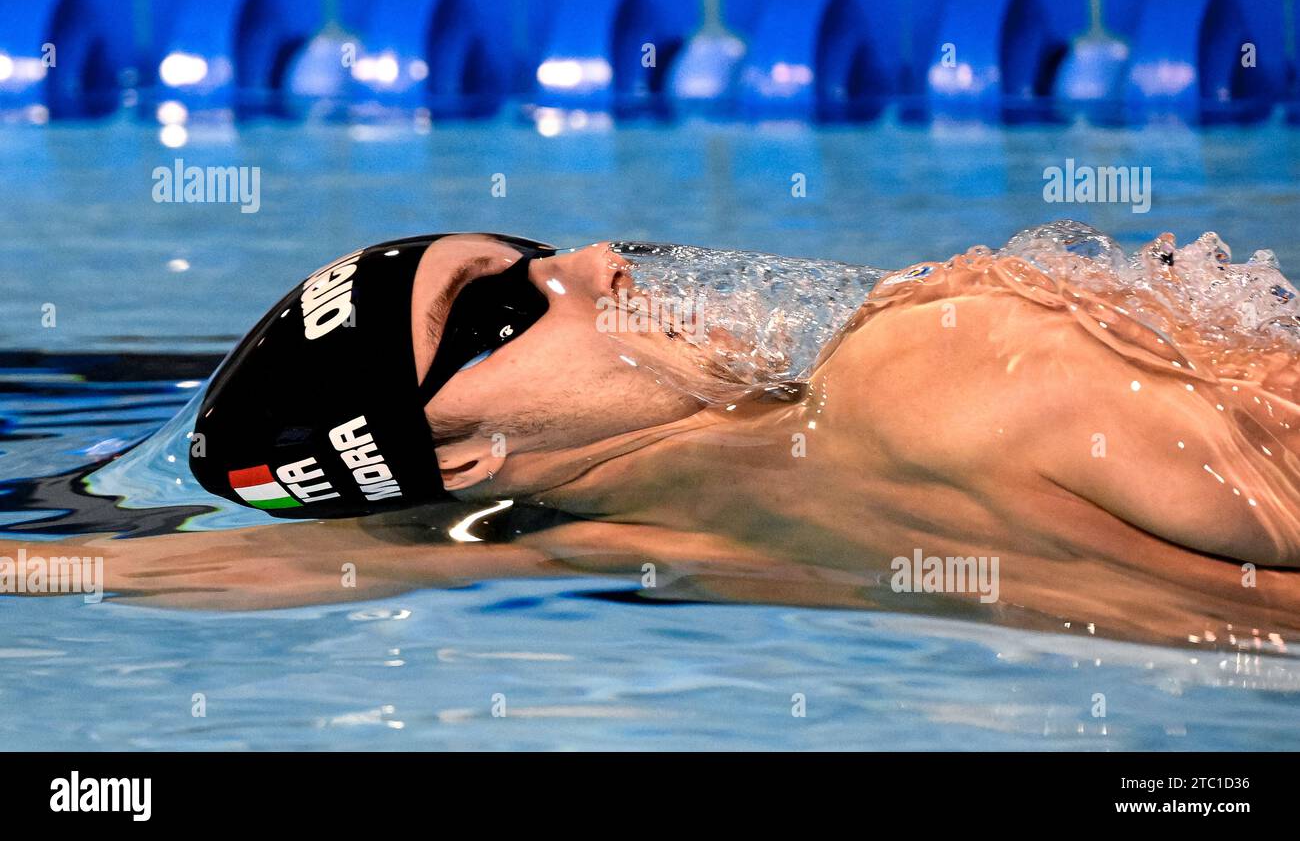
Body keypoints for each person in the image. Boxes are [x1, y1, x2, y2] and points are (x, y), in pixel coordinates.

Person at [14, 226, 1300, 649]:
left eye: (530, 251)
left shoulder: (656, 543)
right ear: (458, 463)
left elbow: (181, 566)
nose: (592, 258)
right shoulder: (943, 350)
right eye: (504, 306)